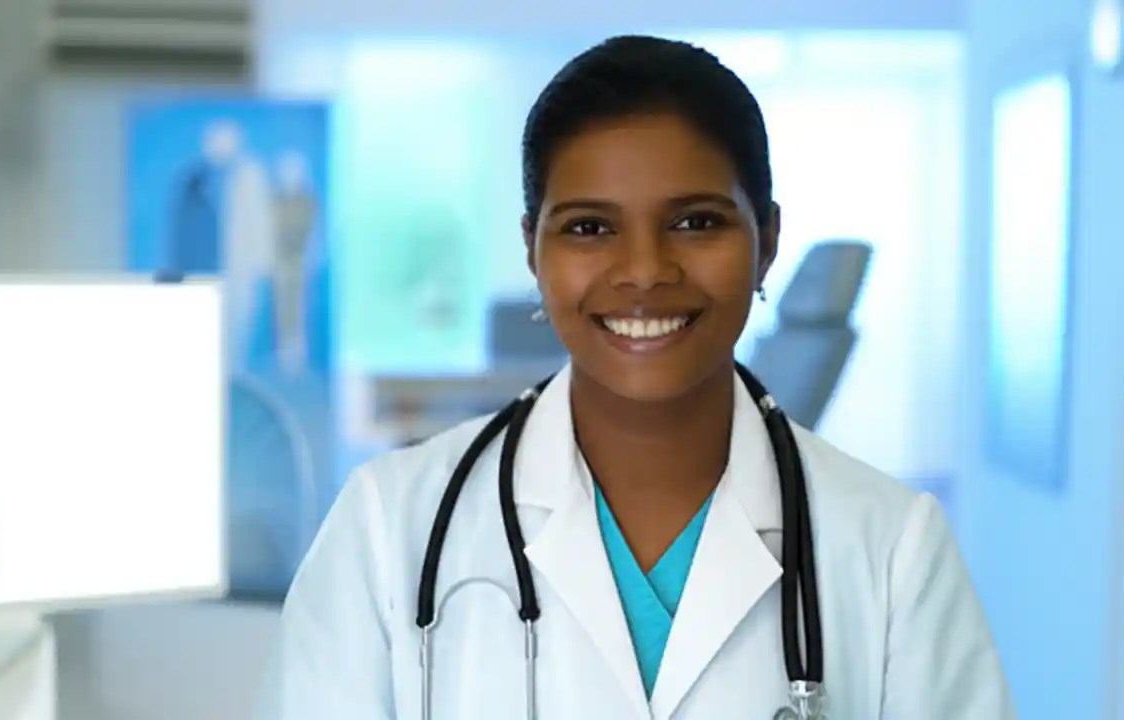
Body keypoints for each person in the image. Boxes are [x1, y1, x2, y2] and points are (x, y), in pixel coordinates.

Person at [278, 36, 1014, 719]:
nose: (644, 272)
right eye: (589, 228)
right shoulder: (386, 529)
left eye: (695, 222)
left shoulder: (892, 548)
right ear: (533, 251)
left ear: (767, 242)